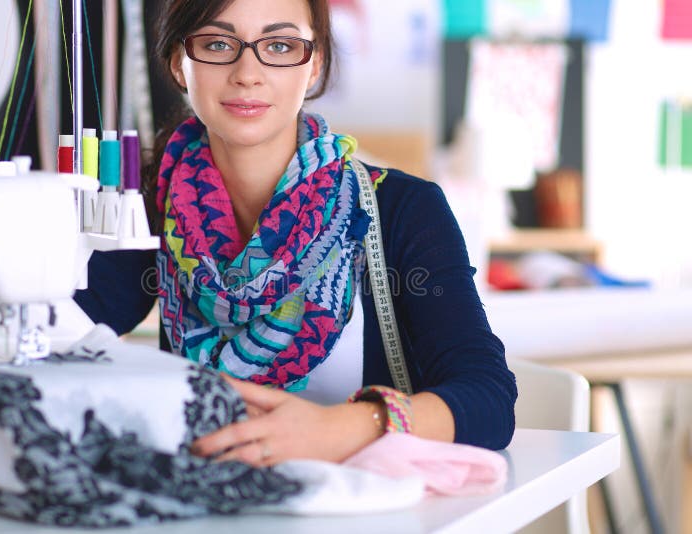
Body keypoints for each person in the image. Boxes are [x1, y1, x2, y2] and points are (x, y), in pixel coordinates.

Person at [74, 0, 517, 468]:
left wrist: (343, 428)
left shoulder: (402, 208)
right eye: (218, 44)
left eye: (280, 46)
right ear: (178, 64)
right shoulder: (154, 205)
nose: (248, 73)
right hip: (208, 496)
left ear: (315, 64)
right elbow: (58, 340)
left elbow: (487, 399)